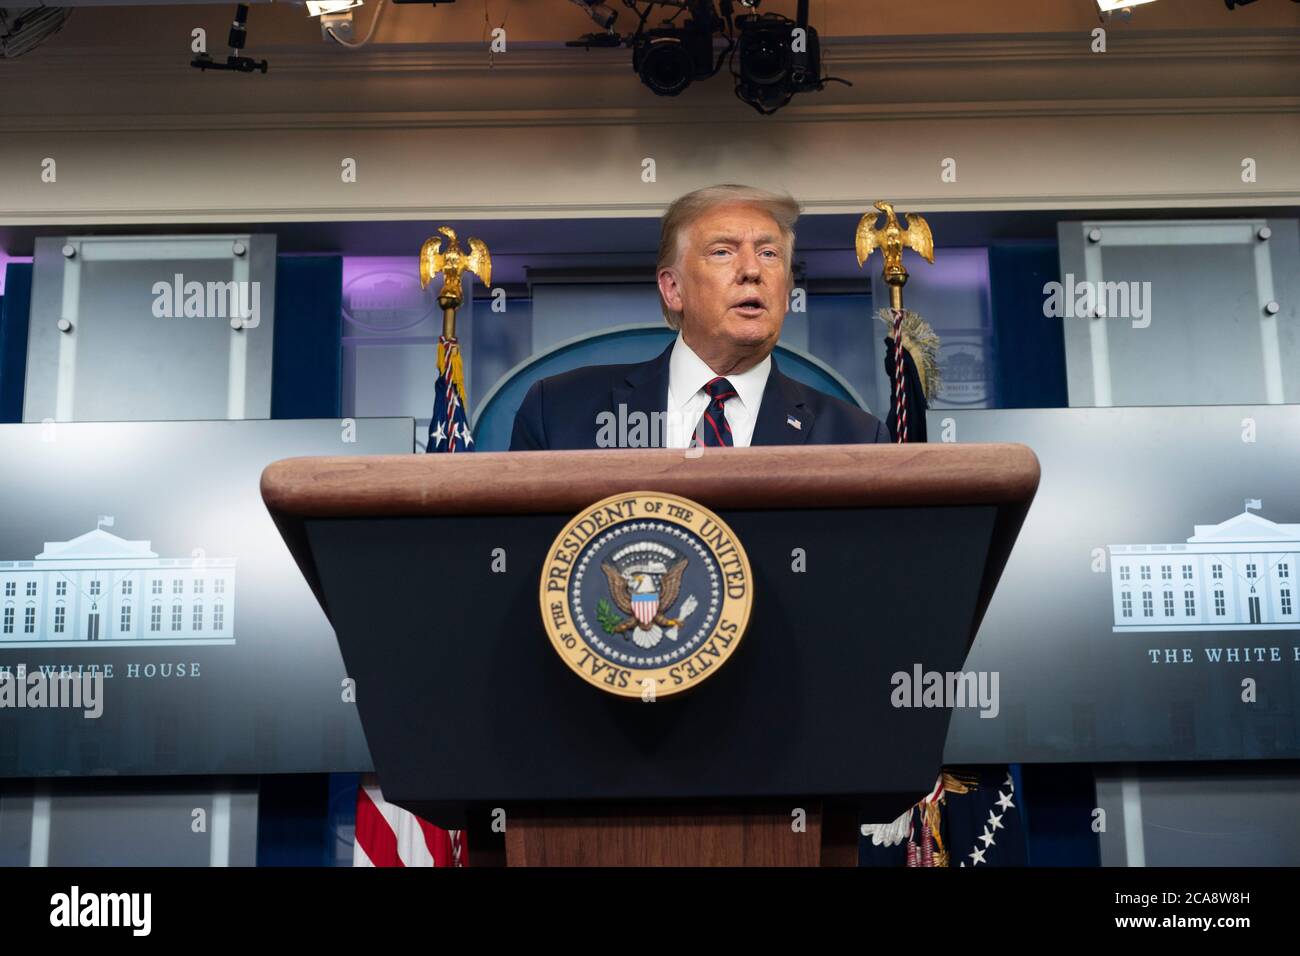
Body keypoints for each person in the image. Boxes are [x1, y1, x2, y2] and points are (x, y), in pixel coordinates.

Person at [509, 183, 889, 450]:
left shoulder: (854, 436)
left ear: (787, 293)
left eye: (769, 254)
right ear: (673, 289)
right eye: (723, 251)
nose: (751, 270)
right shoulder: (559, 409)